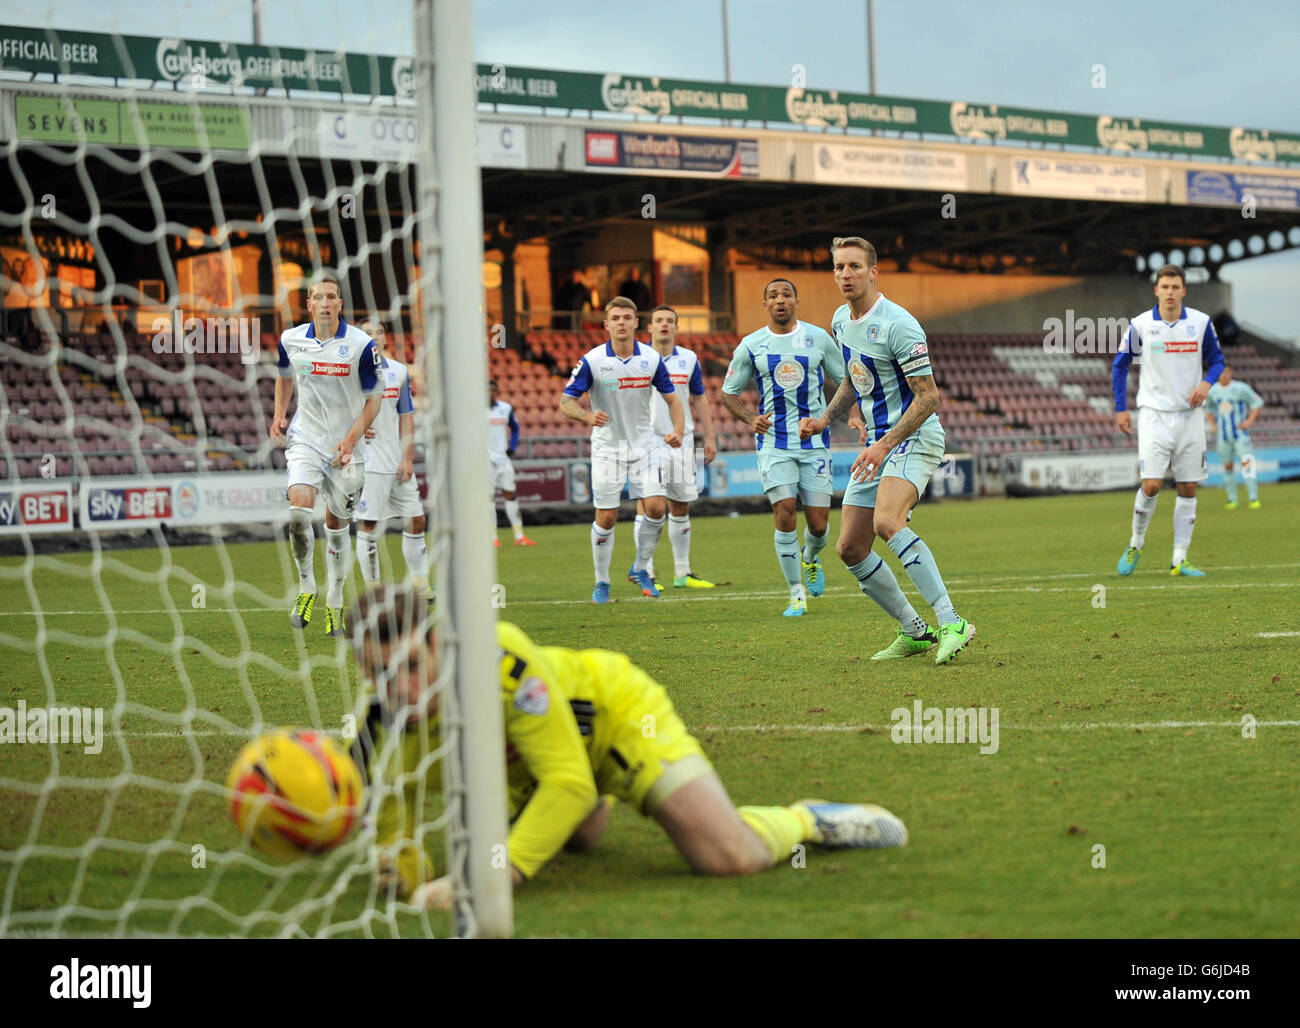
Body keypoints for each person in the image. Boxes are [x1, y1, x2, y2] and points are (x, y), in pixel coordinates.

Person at [347, 582, 909, 907]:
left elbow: (565, 782)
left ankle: (806, 821)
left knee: (728, 859)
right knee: (579, 837)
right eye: (381, 675)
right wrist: (404, 866)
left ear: (438, 645)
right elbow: (393, 807)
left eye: (412, 666)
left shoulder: (501, 660)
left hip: (615, 719)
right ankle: (587, 810)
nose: (403, 690)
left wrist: (495, 877)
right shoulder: (380, 723)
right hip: (538, 762)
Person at [801, 237, 974, 664]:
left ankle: (953, 622)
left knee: (887, 522)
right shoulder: (841, 320)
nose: (845, 275)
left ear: (873, 272)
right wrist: (826, 418)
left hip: (912, 436)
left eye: (854, 267)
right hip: (877, 444)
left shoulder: (900, 324)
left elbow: (929, 398)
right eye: (839, 267)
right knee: (850, 549)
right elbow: (852, 379)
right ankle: (915, 632)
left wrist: (883, 444)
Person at [721, 278, 845, 617]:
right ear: (765, 305)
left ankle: (810, 557)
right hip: (774, 444)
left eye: (786, 295)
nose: (780, 300)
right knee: (785, 512)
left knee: (818, 525)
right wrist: (750, 419)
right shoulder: (751, 345)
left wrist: (852, 419)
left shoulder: (818, 338)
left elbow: (848, 381)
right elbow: (728, 392)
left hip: (814, 441)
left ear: (796, 301)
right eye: (773, 296)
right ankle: (796, 594)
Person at [271, 272, 382, 636]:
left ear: (339, 303)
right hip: (307, 440)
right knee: (299, 514)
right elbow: (284, 376)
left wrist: (350, 441)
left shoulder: (362, 345)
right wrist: (279, 415)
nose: (324, 303)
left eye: (330, 297)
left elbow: (374, 399)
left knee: (337, 528)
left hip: (348, 451)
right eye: (317, 297)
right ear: (308, 304)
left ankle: (334, 601)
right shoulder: (290, 339)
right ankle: (306, 587)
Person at [560, 297, 684, 603]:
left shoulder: (651, 359)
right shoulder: (592, 360)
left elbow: (673, 399)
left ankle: (640, 568)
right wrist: (587, 416)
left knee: (656, 508)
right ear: (606, 324)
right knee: (607, 517)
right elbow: (566, 402)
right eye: (615, 318)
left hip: (645, 446)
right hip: (608, 449)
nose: (621, 322)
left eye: (627, 317)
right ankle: (601, 582)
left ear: (635, 323)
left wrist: (678, 430)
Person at [1114, 264, 1225, 577]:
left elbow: (1217, 360)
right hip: (1154, 415)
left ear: (1184, 290)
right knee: (1151, 484)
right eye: (1165, 287)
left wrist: (1206, 384)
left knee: (1188, 487)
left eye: (1176, 287)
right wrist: (1121, 408)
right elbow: (1120, 366)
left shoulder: (1201, 323)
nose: (1170, 292)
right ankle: (1136, 542)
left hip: (1190, 417)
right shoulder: (1141, 324)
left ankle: (1179, 558)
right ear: (1156, 290)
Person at [627, 304, 717, 590]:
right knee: (649, 506)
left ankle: (682, 573)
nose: (664, 325)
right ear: (649, 327)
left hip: (682, 440)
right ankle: (646, 571)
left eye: (669, 321)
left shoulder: (689, 359)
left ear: (676, 327)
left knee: (680, 506)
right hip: (646, 442)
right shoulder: (636, 358)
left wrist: (710, 437)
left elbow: (700, 398)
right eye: (658, 321)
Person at [352, 318, 432, 594]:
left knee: (416, 519)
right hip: (369, 461)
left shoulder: (398, 371)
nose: (374, 336)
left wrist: (407, 458)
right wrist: (355, 431)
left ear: (386, 338)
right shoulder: (349, 370)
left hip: (396, 459)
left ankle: (421, 583)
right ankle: (373, 589)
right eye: (367, 332)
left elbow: (406, 417)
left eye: (379, 331)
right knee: (370, 524)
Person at [1206, 365, 1264, 510]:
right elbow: (1208, 409)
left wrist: (1249, 421)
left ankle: (1253, 498)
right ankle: (1232, 500)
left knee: (1247, 465)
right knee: (1227, 466)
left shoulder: (1241, 388)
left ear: (1231, 373)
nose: (1224, 375)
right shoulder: (1213, 391)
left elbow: (1258, 403)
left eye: (1226, 372)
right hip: (1223, 436)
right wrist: (1213, 425)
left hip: (1240, 435)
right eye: (1221, 373)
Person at [488, 379, 536, 547]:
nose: (490, 393)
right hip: (485, 461)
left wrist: (512, 447)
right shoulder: (475, 410)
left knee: (511, 495)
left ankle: (519, 536)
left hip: (503, 460)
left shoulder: (505, 408)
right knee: (488, 499)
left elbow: (515, 428)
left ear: (497, 392)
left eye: (493, 390)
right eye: (487, 390)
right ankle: (492, 538)